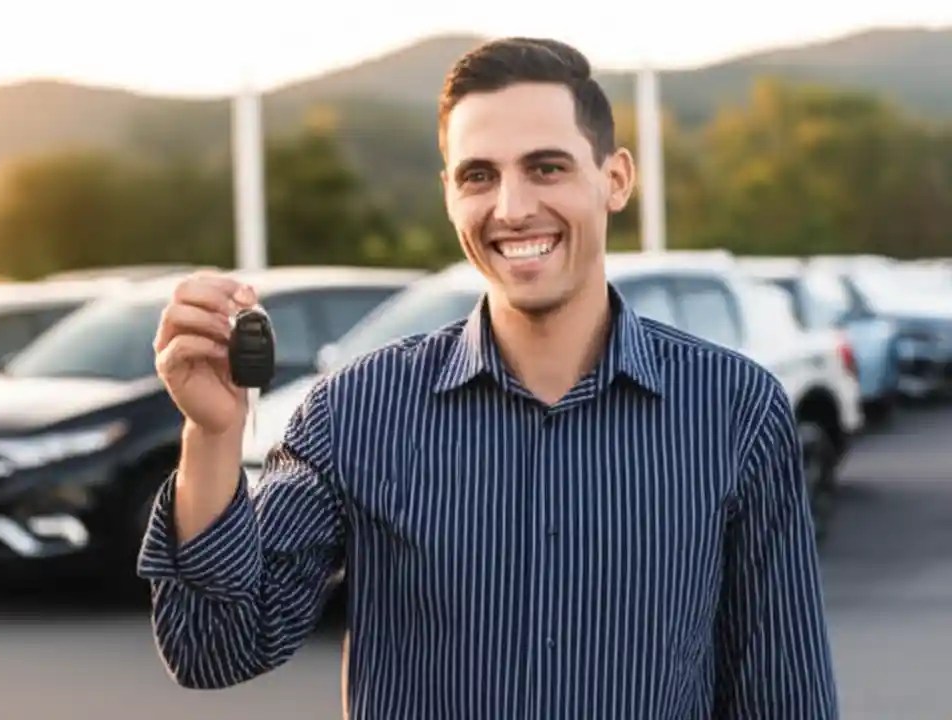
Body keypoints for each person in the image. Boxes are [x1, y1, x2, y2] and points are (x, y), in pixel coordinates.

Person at [138, 36, 839, 719]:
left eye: (547, 167)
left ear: (615, 179)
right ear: (449, 195)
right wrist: (213, 435)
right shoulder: (356, 411)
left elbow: (784, 695)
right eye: (480, 175)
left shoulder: (735, 409)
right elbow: (213, 651)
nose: (511, 207)